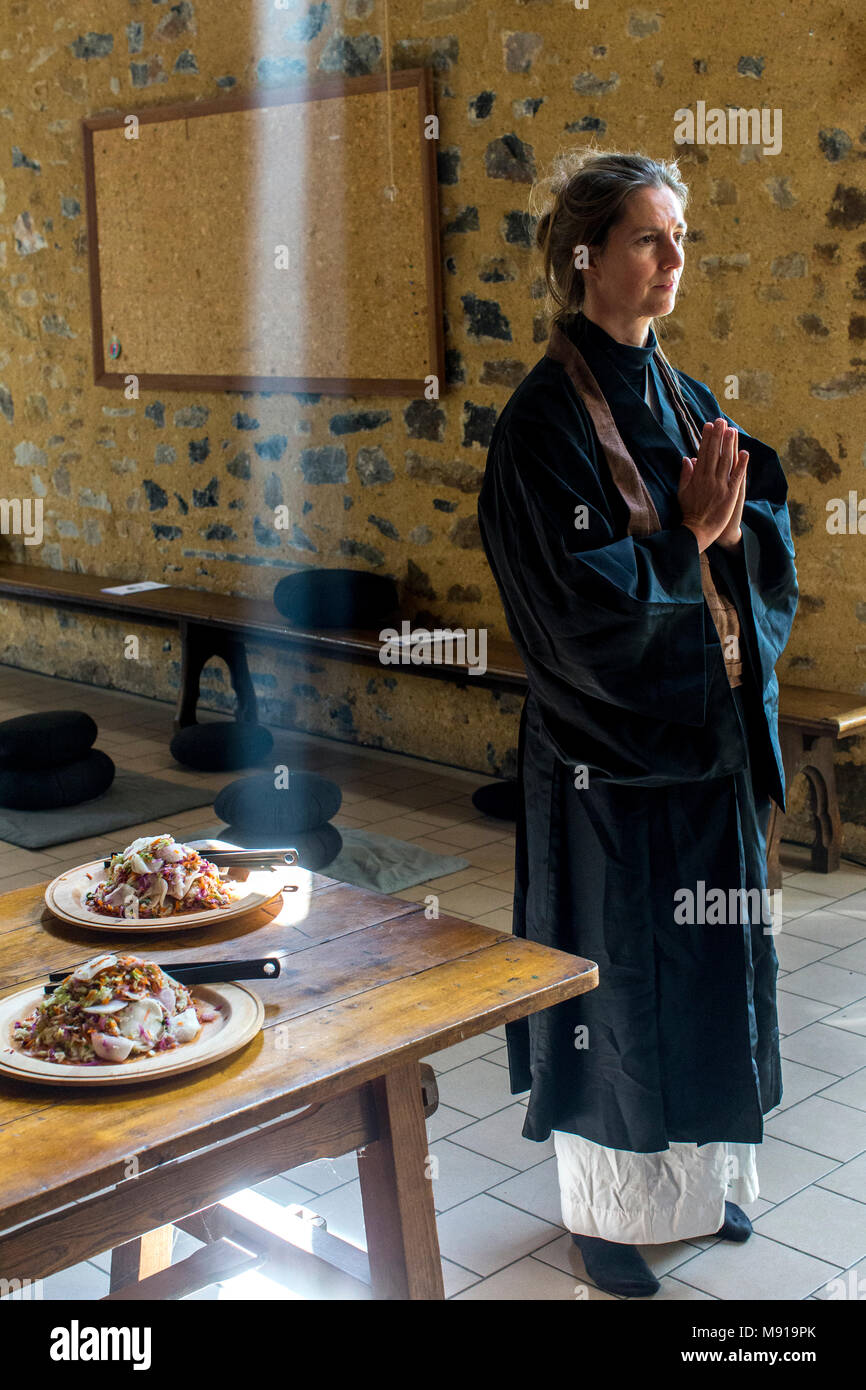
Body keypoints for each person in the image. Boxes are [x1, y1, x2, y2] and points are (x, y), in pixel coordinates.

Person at [476, 148, 799, 1298]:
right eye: (649, 239)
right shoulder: (540, 430)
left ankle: (701, 1189)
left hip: (703, 765)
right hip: (609, 780)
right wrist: (683, 543)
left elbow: (759, 536)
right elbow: (567, 612)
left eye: (681, 239)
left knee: (709, 982)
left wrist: (727, 531)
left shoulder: (685, 396)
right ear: (586, 258)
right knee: (619, 996)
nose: (674, 261)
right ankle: (604, 1215)